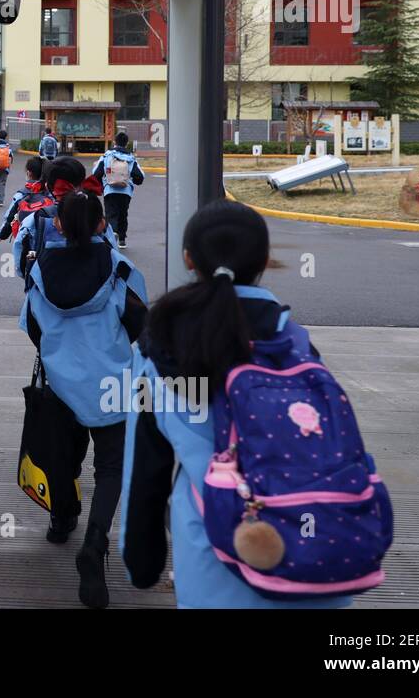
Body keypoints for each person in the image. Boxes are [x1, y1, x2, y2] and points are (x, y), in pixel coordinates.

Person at [119, 202, 355, 609]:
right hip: (312, 556)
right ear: (265, 260)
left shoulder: (158, 349)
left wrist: (142, 561)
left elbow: (146, 465)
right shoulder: (297, 344)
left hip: (215, 552)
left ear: (188, 259)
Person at [20, 188, 147, 609]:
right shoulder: (119, 267)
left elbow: (32, 327)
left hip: (60, 385)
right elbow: (139, 323)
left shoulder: (39, 273)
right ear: (102, 224)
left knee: (65, 458)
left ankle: (61, 520)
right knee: (110, 468)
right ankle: (94, 544)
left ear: (57, 224)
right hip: (111, 384)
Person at [92, 131, 145, 250]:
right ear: (126, 144)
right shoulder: (131, 158)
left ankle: (112, 234)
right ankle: (122, 239)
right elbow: (140, 177)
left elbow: (96, 173)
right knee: (123, 214)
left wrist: (103, 184)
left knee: (111, 214)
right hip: (125, 192)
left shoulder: (107, 156)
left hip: (109, 190)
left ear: (115, 142)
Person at [0, 156, 52, 248]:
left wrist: (1, 235)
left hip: (25, 239)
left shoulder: (22, 194)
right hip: (47, 240)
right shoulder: (51, 193)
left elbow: (10, 217)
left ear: (29, 173)